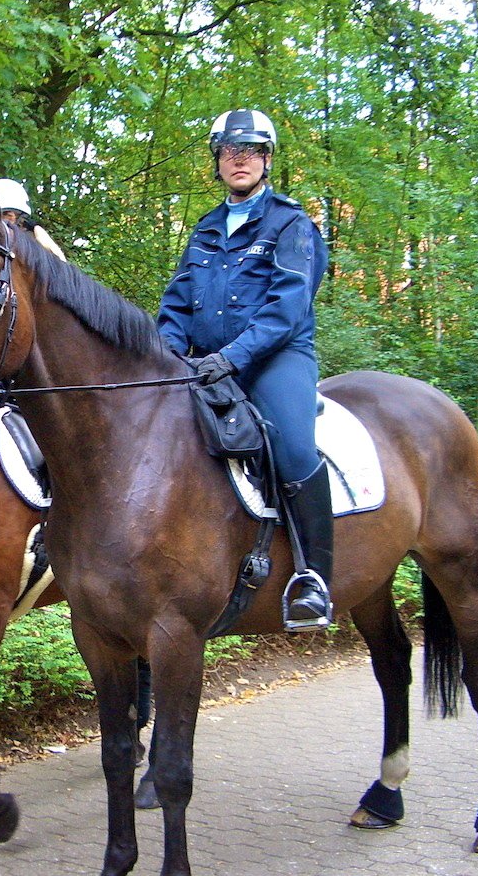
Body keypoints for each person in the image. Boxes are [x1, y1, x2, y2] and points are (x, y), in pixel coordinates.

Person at [157, 108, 333, 631]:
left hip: (275, 359)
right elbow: (177, 305)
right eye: (230, 152)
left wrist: (230, 358)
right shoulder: (206, 228)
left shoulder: (291, 224)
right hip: (206, 365)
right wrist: (166, 356)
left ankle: (314, 579)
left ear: (267, 159)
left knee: (294, 446)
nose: (240, 160)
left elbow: (287, 307)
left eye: (251, 151)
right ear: (217, 160)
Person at [0, 178, 66, 260]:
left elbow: (61, 262)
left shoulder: (28, 241)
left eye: (17, 215)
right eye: (6, 214)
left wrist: (38, 232)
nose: (11, 218)